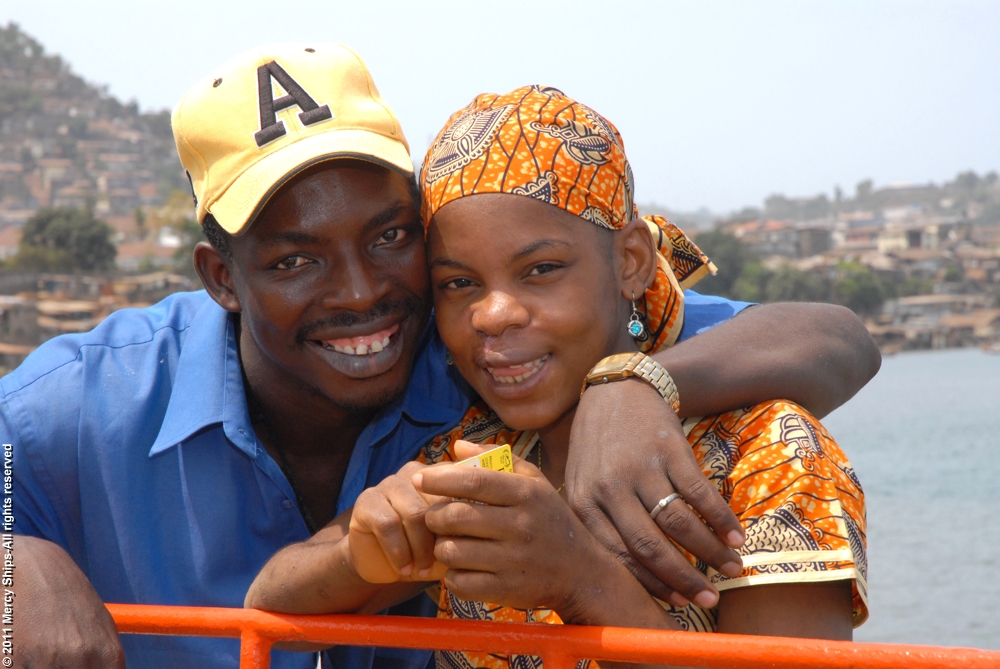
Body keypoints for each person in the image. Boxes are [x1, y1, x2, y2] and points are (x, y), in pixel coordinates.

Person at [5, 46, 878, 669]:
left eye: (389, 236)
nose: (358, 291)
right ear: (220, 277)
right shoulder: (79, 404)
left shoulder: (499, 365)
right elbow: (277, 602)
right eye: (294, 258)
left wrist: (636, 379)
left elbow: (830, 336)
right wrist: (14, 556)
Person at [247, 86, 867, 669]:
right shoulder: (480, 459)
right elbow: (270, 604)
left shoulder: (767, 453)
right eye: (458, 283)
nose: (493, 315)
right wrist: (367, 548)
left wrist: (582, 580)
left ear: (629, 263)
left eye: (540, 269)